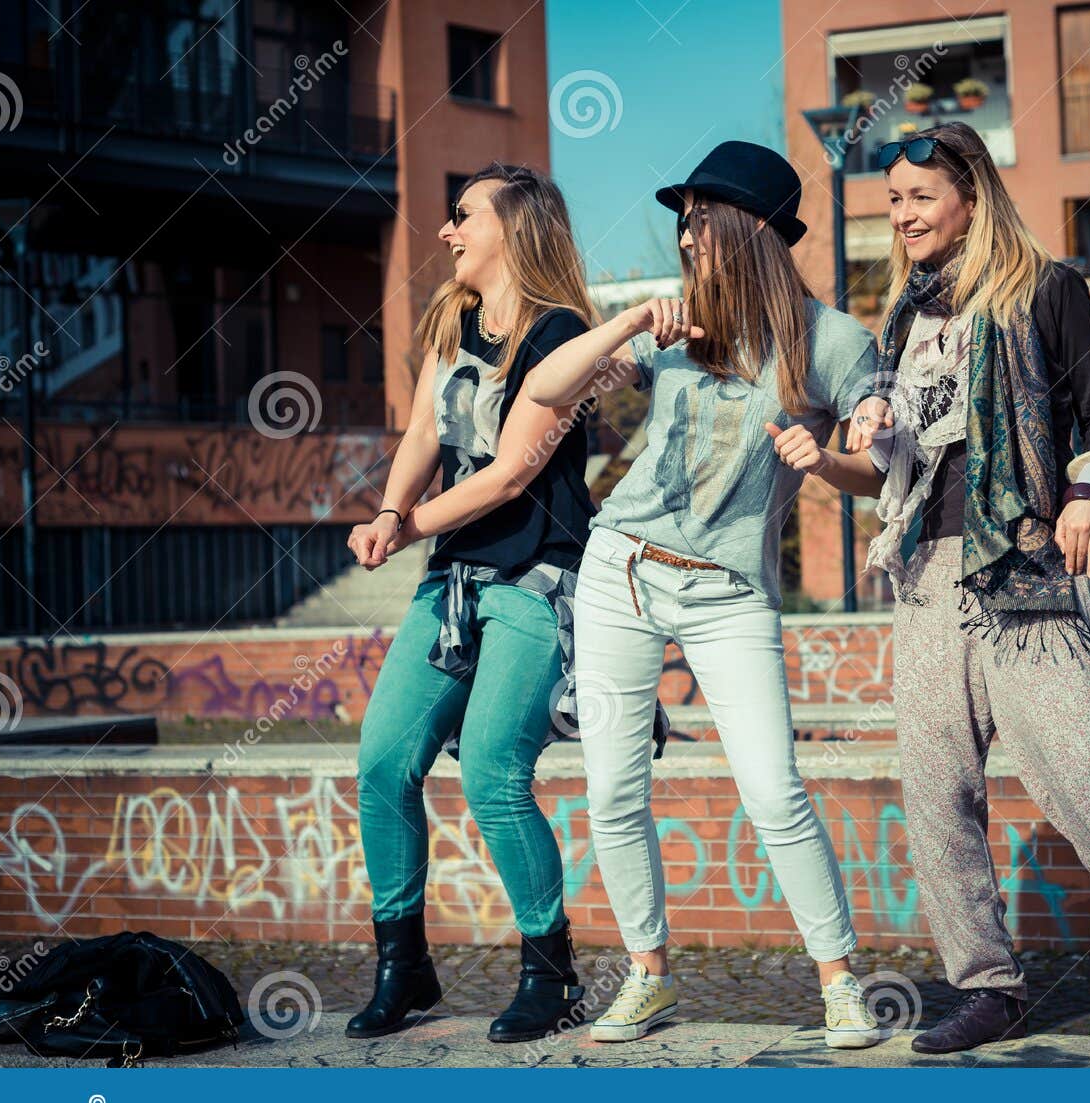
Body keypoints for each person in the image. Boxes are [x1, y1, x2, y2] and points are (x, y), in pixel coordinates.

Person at [778, 123, 1090, 1067]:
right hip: (921, 580)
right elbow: (892, 475)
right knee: (937, 797)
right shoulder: (904, 321)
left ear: (971, 194)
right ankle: (987, 989)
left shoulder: (1045, 287)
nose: (902, 215)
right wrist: (826, 462)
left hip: (1029, 576)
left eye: (919, 197)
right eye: (893, 202)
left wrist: (1087, 489)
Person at [525, 141, 886, 1048]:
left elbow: (883, 469)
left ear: (751, 230)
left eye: (699, 224)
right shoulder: (676, 328)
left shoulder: (835, 341)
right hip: (621, 570)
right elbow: (545, 388)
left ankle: (839, 981)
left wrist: (831, 458)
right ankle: (648, 974)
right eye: (680, 225)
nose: (686, 240)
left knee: (773, 791)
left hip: (729, 595)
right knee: (612, 789)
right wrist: (626, 327)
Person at [345, 163, 646, 1044]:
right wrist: (390, 510)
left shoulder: (561, 335)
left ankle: (548, 975)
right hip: (452, 580)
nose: (446, 231)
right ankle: (405, 968)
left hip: (537, 577)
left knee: (490, 772)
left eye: (462, 216)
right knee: (380, 763)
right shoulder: (452, 321)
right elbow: (422, 433)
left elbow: (514, 471)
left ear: (513, 227)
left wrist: (405, 529)